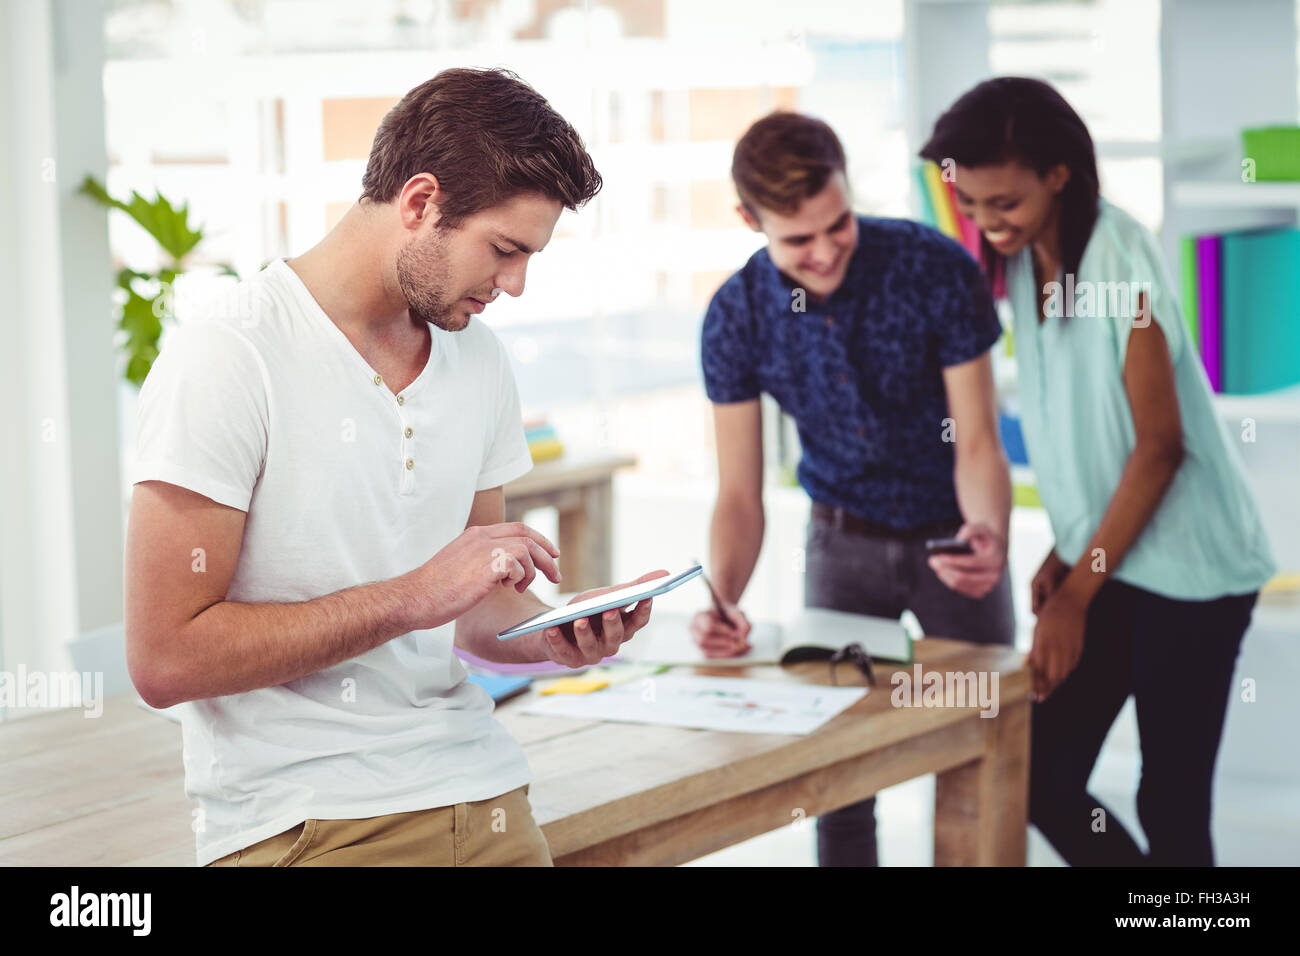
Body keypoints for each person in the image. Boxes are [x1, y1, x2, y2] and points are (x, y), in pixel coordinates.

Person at [124, 67, 666, 868]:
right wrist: (412, 598)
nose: (514, 285)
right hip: (305, 821)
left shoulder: (478, 362)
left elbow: (478, 614)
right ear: (420, 204)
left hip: (482, 793)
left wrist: (555, 634)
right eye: (505, 250)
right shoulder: (231, 355)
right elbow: (164, 659)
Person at [921, 76, 1276, 866]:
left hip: (1195, 570)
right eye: (973, 205)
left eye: (1003, 203)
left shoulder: (1120, 254)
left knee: (1171, 801)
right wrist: (1069, 548)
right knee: (1041, 774)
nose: (987, 222)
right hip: (1115, 556)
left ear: (1059, 175)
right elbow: (1082, 429)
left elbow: (1159, 445)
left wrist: (1079, 589)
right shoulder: (1017, 264)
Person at [695, 111, 1015, 867]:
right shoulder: (734, 317)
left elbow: (976, 439)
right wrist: (724, 600)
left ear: (848, 190)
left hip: (951, 539)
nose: (826, 249)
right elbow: (739, 494)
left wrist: (988, 533)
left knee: (982, 750)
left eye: (837, 224)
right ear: (750, 220)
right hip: (840, 546)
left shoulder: (936, 266)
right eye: (797, 239)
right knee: (837, 781)